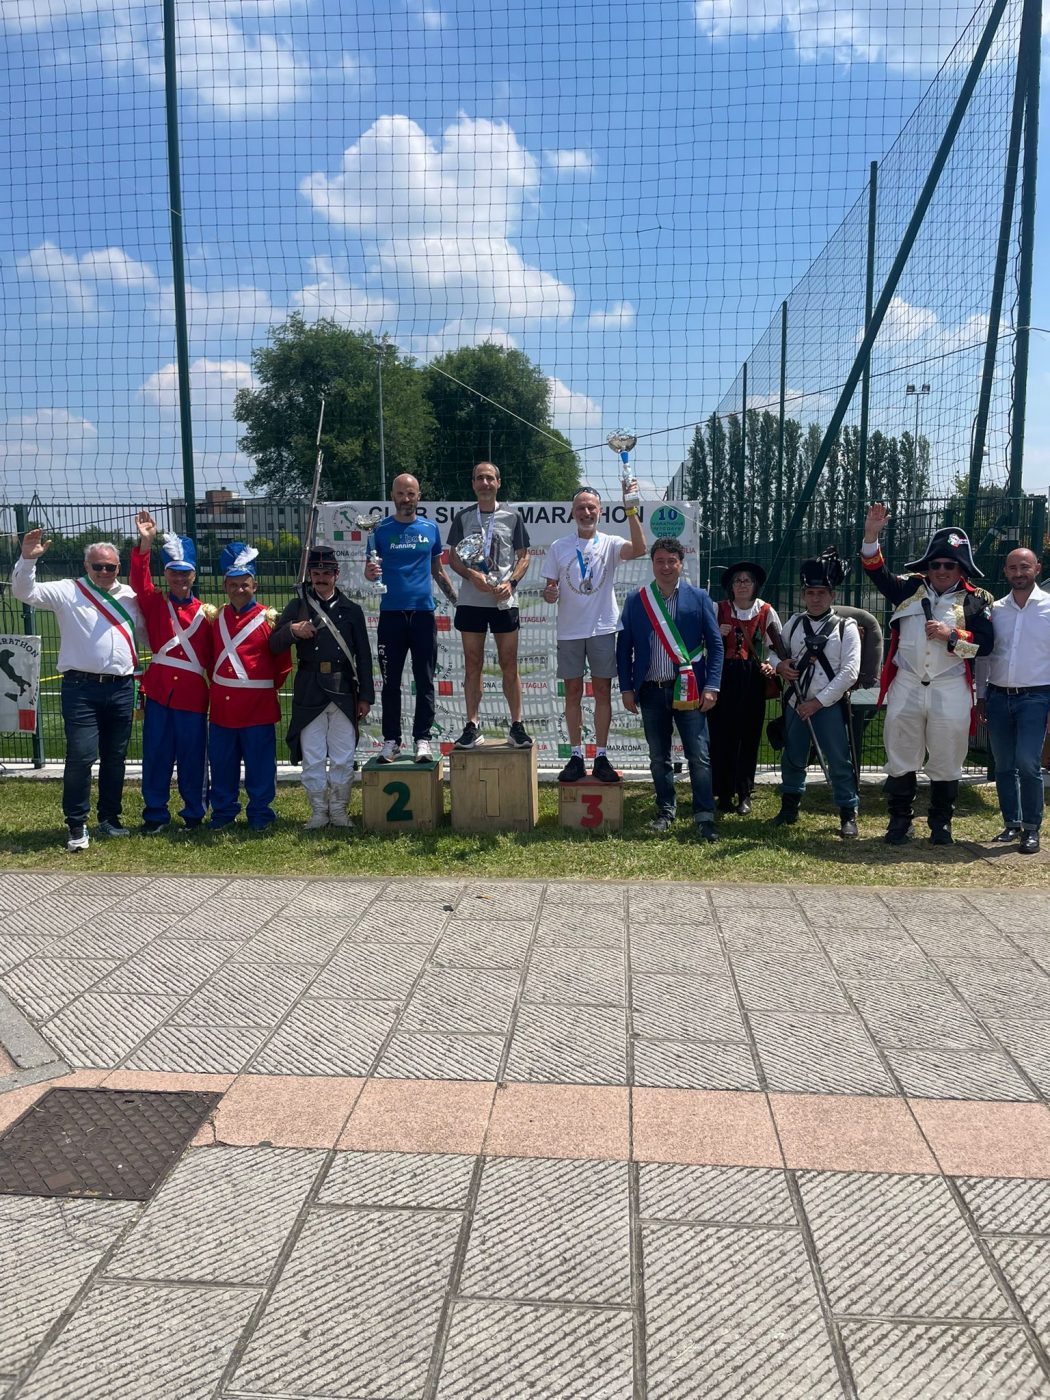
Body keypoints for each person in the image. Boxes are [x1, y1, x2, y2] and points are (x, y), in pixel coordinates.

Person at [861, 504, 994, 845]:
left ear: (961, 567)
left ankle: (940, 822)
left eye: (950, 565)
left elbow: (986, 647)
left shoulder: (977, 600)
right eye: (936, 564)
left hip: (949, 687)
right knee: (901, 752)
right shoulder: (909, 589)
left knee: (948, 754)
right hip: (907, 683)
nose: (942, 570)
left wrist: (952, 638)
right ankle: (899, 820)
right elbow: (876, 571)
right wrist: (872, 534)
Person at [11, 530, 145, 851]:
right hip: (81, 688)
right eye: (97, 566)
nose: (103, 572)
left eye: (109, 567)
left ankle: (110, 819)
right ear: (87, 565)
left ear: (118, 567)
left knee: (115, 758)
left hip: (122, 687)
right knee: (82, 756)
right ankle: (76, 823)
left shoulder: (130, 596)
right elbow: (24, 591)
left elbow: (148, 633)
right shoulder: (68, 591)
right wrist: (29, 558)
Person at [617, 538, 723, 838]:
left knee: (699, 756)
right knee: (658, 757)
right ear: (652, 564)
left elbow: (715, 645)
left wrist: (712, 686)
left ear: (681, 563)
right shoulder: (637, 600)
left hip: (690, 690)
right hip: (651, 690)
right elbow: (624, 648)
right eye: (659, 561)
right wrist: (626, 687)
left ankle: (704, 815)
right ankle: (665, 810)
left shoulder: (699, 597)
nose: (665, 567)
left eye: (671, 561)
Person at [542, 481, 647, 782]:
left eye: (591, 507)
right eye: (580, 508)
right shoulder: (559, 547)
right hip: (570, 631)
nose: (586, 512)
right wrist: (550, 594)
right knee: (572, 693)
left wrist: (631, 510)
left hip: (602, 627)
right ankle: (576, 756)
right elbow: (550, 587)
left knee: (602, 692)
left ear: (600, 511)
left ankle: (601, 756)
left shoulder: (611, 543)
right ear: (572, 513)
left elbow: (639, 548)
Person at [269, 545, 374, 830]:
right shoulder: (297, 605)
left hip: (341, 688)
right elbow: (273, 644)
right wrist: (293, 630)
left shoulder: (351, 610)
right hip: (309, 688)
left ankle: (339, 811)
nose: (322, 578)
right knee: (313, 756)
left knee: (342, 756)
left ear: (336, 575)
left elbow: (363, 656)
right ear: (310, 575)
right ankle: (318, 811)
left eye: (327, 573)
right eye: (317, 573)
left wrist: (365, 696)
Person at [364, 473, 457, 763]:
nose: (406, 499)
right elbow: (370, 571)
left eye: (411, 494)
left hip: (422, 615)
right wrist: (369, 574)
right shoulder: (379, 530)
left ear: (419, 496)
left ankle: (423, 740)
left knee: (425, 681)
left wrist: (457, 601)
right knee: (391, 682)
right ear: (393, 496)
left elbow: (438, 571)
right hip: (391, 615)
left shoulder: (430, 529)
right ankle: (391, 740)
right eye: (401, 494)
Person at [131, 511, 213, 833]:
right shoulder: (154, 603)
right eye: (173, 574)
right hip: (161, 692)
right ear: (166, 575)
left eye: (185, 574)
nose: (180, 579)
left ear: (193, 576)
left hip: (192, 696)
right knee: (156, 756)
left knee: (194, 759)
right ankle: (155, 814)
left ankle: (194, 813)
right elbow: (139, 580)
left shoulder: (207, 613)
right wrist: (146, 542)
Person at [770, 549, 861, 838]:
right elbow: (773, 653)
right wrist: (781, 666)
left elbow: (850, 672)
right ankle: (789, 807)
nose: (816, 598)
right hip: (797, 703)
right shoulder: (794, 623)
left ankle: (848, 811)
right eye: (811, 592)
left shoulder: (846, 628)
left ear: (832, 595)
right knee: (793, 756)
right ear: (803, 594)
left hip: (827, 704)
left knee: (838, 760)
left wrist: (817, 703)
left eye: (822, 592)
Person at [446, 461, 533, 750]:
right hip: (472, 600)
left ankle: (517, 726)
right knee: (473, 664)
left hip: (503, 601)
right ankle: (472, 725)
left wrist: (513, 583)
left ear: (498, 482)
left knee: (509, 663)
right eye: (479, 478)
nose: (485, 483)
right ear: (473, 484)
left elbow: (524, 556)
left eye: (490, 478)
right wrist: (471, 575)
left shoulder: (512, 517)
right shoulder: (463, 517)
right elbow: (454, 559)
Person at [207, 543, 291, 831]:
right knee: (221, 764)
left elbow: (283, 664)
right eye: (233, 585)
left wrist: (260, 688)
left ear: (255, 586)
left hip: (258, 707)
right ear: (224, 586)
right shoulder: (216, 619)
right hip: (223, 708)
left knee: (260, 766)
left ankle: (260, 814)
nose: (239, 590)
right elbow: (210, 659)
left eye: (245, 584)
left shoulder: (270, 619)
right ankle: (223, 813)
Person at [974, 548, 1050, 855]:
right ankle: (1012, 823)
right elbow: (984, 655)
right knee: (1004, 764)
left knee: (1027, 762)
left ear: (1037, 568)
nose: (1019, 573)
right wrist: (980, 696)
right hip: (997, 695)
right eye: (1012, 568)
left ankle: (1032, 828)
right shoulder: (996, 610)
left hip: (1036, 696)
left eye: (1024, 567)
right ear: (1005, 572)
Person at [706, 560, 783, 815]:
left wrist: (771, 666)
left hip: (751, 678)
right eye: (737, 581)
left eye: (747, 580)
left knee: (748, 735)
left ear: (755, 585)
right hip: (722, 676)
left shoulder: (766, 611)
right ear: (731, 586)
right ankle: (723, 793)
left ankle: (744, 793)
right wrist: (717, 632)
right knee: (721, 735)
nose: (742, 585)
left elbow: (776, 648)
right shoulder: (718, 609)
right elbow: (700, 643)